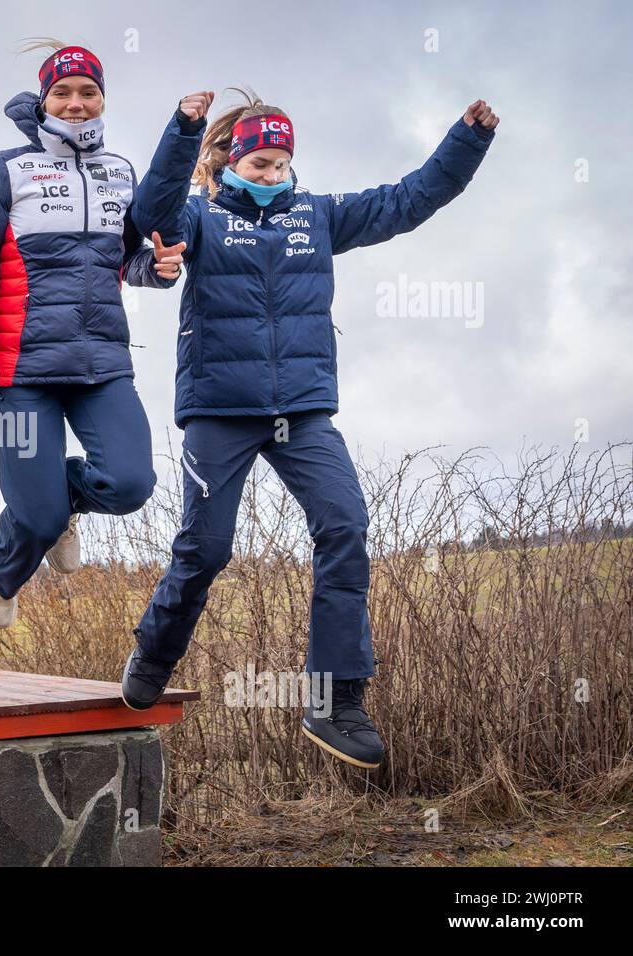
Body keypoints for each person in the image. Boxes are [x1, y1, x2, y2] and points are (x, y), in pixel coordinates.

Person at [122, 87, 499, 769]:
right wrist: (182, 130)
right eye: (259, 163)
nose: (272, 174)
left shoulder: (317, 215)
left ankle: (335, 700)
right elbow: (150, 214)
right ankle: (154, 652)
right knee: (205, 549)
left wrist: (467, 140)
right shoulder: (203, 216)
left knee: (345, 524)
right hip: (220, 408)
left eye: (281, 164)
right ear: (232, 162)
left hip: (300, 409)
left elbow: (408, 200)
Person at [0, 41, 185, 627]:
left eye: (88, 92)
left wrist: (155, 270)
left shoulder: (120, 172)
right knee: (37, 515)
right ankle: (2, 567)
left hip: (101, 365)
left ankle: (66, 501)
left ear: (102, 100)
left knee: (131, 484)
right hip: (21, 369)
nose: (76, 103)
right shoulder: (3, 169)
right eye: (62, 92)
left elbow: (126, 261)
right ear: (44, 99)